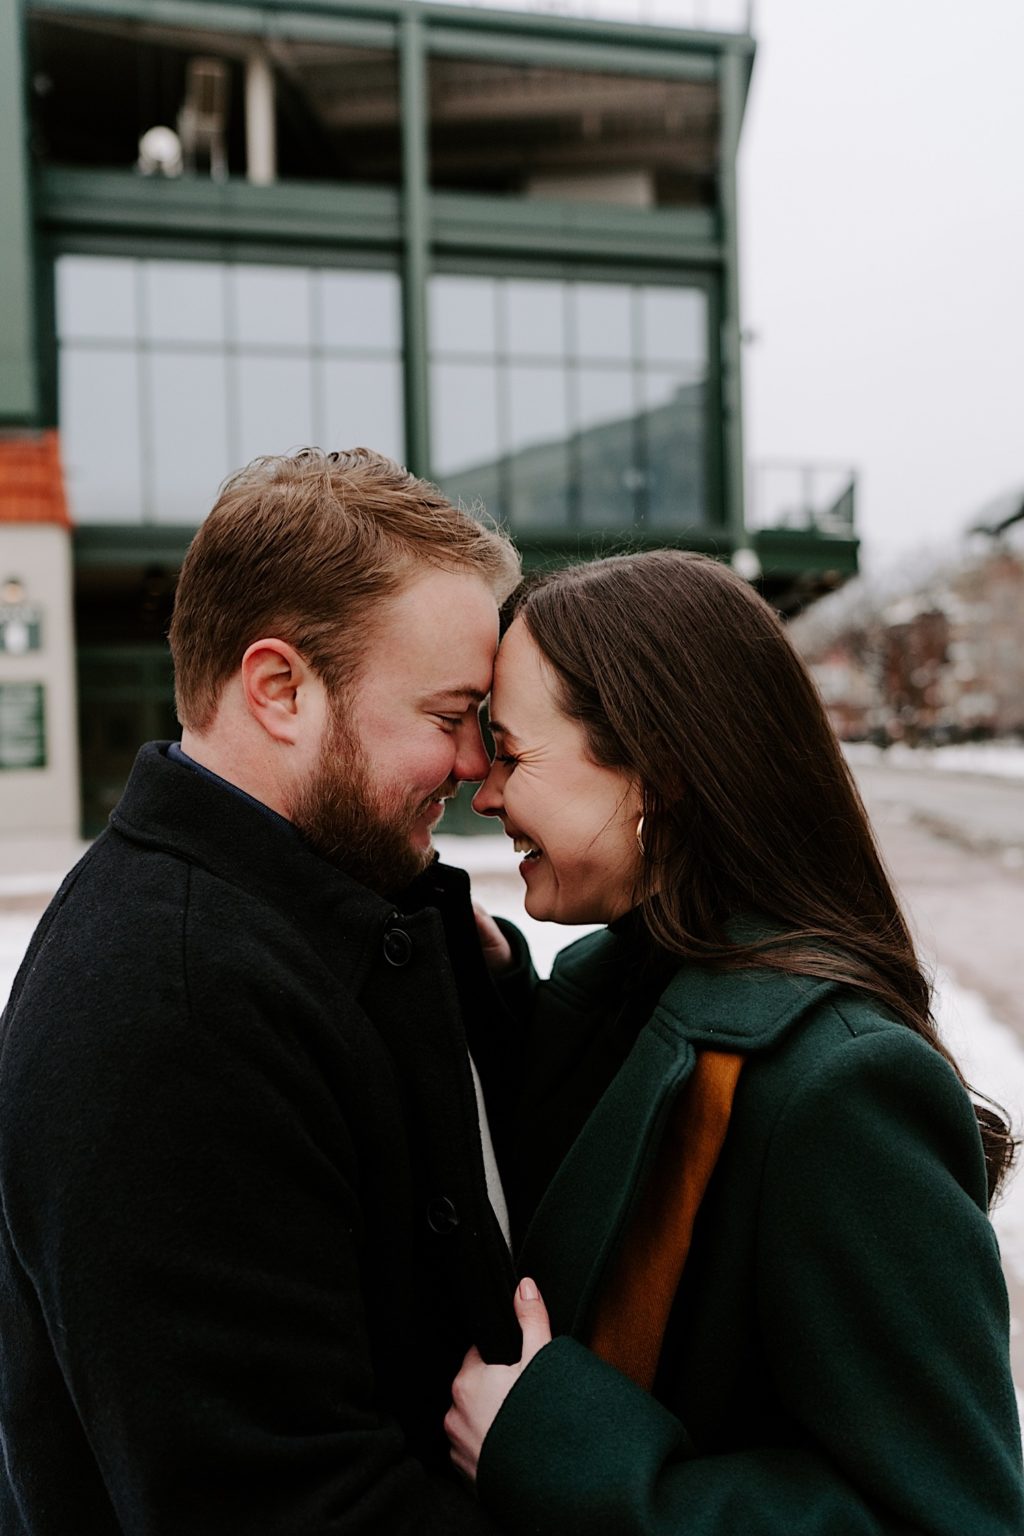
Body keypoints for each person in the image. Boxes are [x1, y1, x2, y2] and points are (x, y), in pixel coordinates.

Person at [0, 448, 527, 1535]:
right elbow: (285, 1506)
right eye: (449, 716)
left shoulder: (328, 909)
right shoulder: (169, 1009)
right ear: (280, 689)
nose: (477, 764)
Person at [445, 549, 1024, 1536]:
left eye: (510, 753)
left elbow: (950, 1516)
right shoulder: (617, 999)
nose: (484, 792)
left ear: (658, 771)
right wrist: (483, 991)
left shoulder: (838, 1084)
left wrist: (561, 1451)